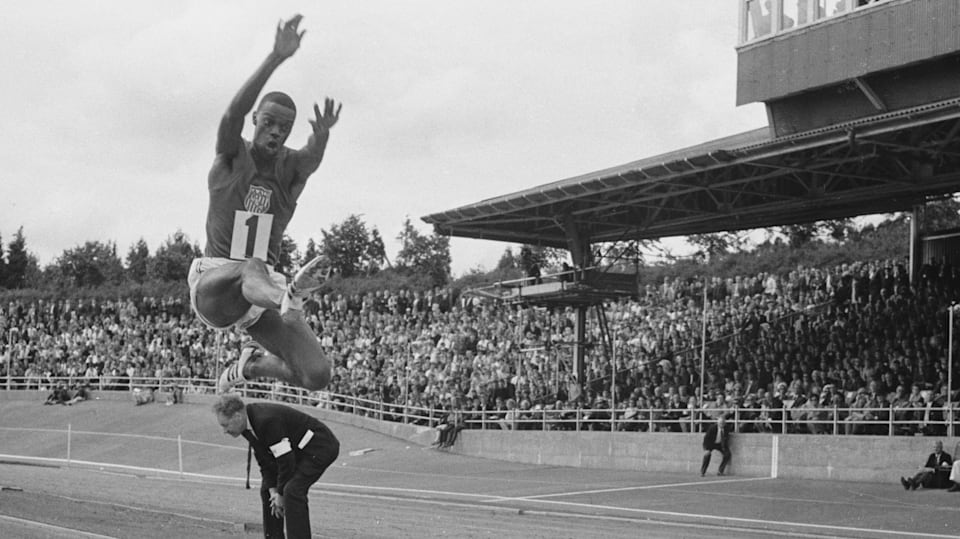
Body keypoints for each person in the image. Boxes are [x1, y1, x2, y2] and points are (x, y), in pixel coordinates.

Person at [187, 14, 343, 394]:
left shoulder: (289, 172)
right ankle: (289, 298)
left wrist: (320, 139)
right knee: (251, 266)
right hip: (215, 285)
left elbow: (310, 161)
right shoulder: (231, 156)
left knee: (317, 376)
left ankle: (252, 367)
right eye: (268, 122)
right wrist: (276, 57)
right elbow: (231, 114)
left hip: (260, 299)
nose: (275, 132)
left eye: (284, 128)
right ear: (255, 119)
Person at [214, 394, 339, 539]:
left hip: (319, 447)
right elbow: (265, 461)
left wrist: (280, 494)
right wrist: (274, 492)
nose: (224, 431)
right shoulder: (246, 426)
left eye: (225, 425)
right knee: (267, 491)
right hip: (297, 452)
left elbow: (286, 462)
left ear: (237, 416)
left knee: (291, 491)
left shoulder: (266, 420)